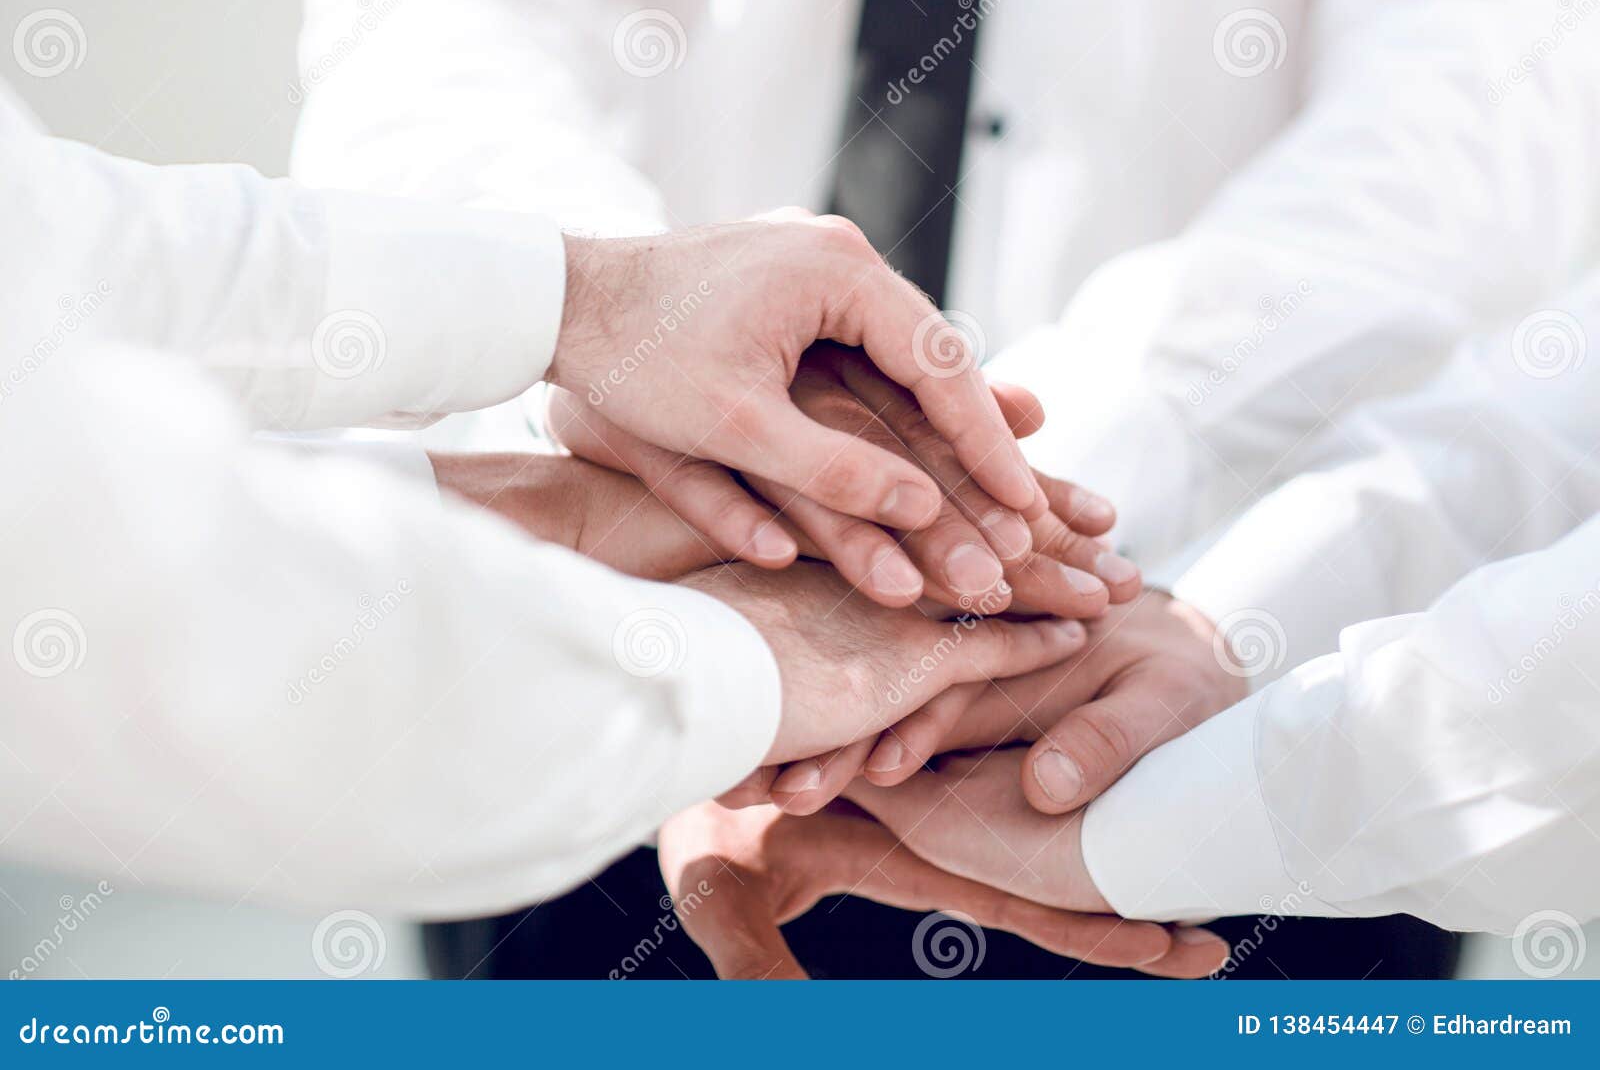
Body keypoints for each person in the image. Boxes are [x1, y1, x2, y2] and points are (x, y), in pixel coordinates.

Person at [301, 0, 1600, 976]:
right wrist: (629, 339)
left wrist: (981, 499)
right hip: (595, 639)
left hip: (1191, 682)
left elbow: (1474, 101)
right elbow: (431, 31)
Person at [0, 73, 1099, 917]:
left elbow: (35, 252)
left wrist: (586, 303)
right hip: (583, 785)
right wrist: (741, 658)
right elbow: (125, 597)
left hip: (1084, 645)